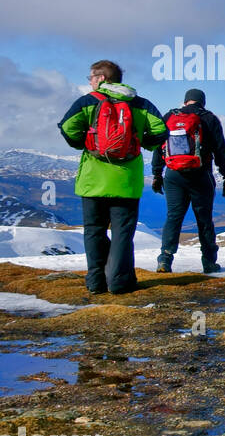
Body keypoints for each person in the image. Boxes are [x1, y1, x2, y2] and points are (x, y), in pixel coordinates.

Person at [56, 61, 167, 295]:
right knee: (122, 233)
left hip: (93, 180)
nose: (89, 82)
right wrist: (142, 143)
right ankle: (119, 282)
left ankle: (96, 283)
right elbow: (160, 131)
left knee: (94, 230)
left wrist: (85, 144)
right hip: (127, 181)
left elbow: (67, 128)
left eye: (91, 78)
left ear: (102, 79)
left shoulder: (88, 102)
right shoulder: (141, 104)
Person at [151, 88, 225, 274]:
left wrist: (157, 174)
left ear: (185, 101)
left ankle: (165, 259)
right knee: (204, 219)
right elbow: (221, 150)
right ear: (202, 102)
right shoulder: (209, 118)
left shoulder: (170, 116)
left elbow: (158, 147)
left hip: (173, 176)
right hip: (200, 175)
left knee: (173, 217)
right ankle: (209, 262)